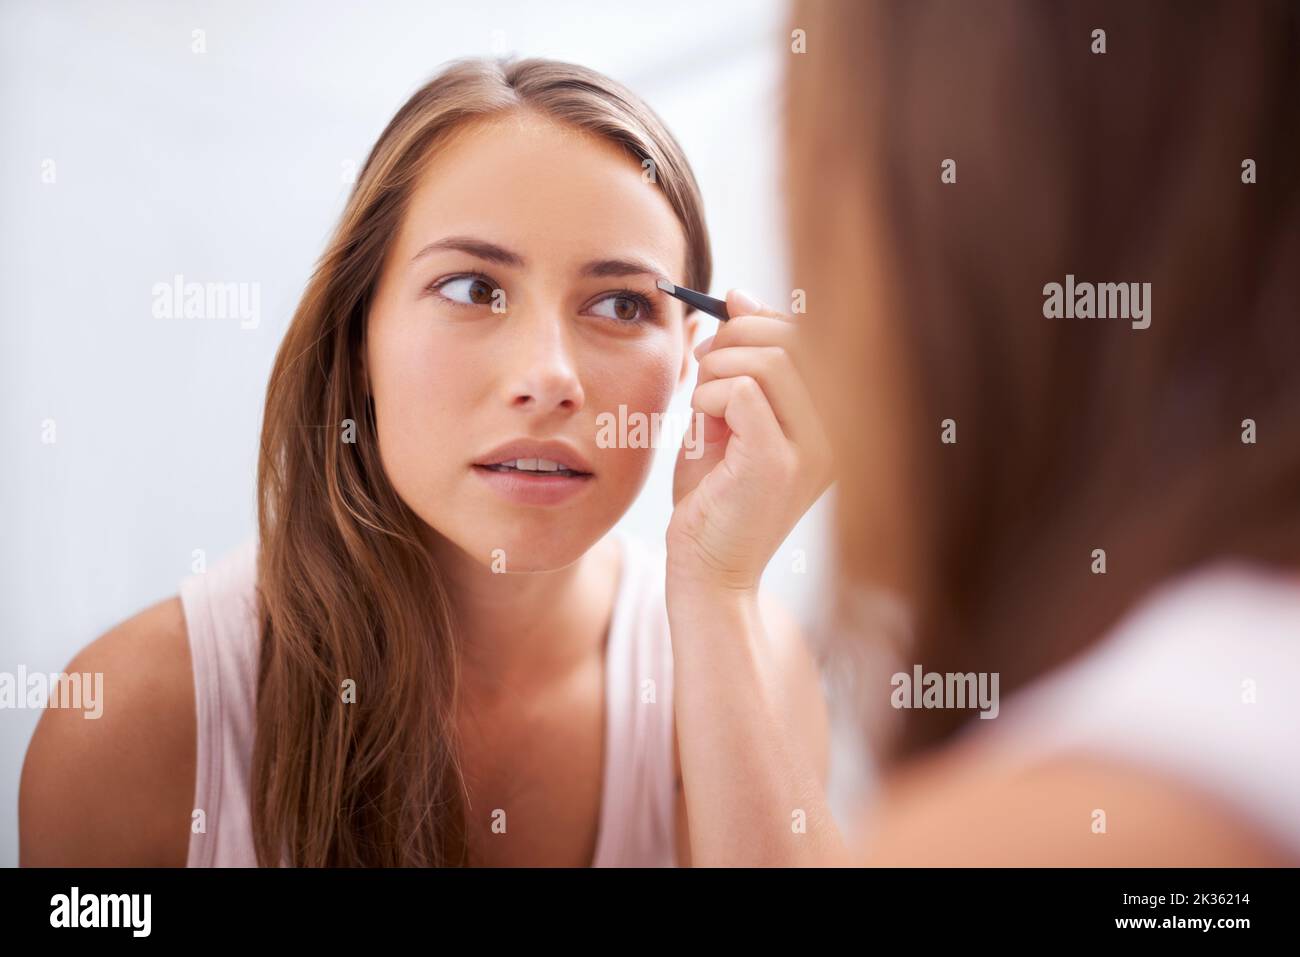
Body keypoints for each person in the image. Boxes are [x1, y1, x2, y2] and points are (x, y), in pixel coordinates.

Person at [18, 56, 832, 867]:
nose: (548, 378)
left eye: (622, 305)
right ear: (359, 329)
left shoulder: (747, 663)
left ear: (697, 357)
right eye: (473, 289)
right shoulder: (136, 716)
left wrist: (715, 586)